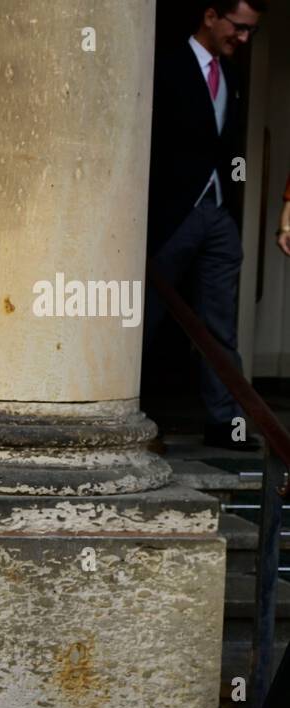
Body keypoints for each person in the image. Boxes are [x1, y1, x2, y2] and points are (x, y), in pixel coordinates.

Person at [143, 0, 265, 451]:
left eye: (251, 32)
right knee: (146, 319)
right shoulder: (166, 67)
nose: (244, 38)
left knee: (220, 325)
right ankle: (131, 416)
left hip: (217, 214)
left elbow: (228, 149)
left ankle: (225, 423)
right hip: (170, 215)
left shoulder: (231, 77)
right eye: (239, 27)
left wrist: (230, 202)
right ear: (211, 16)